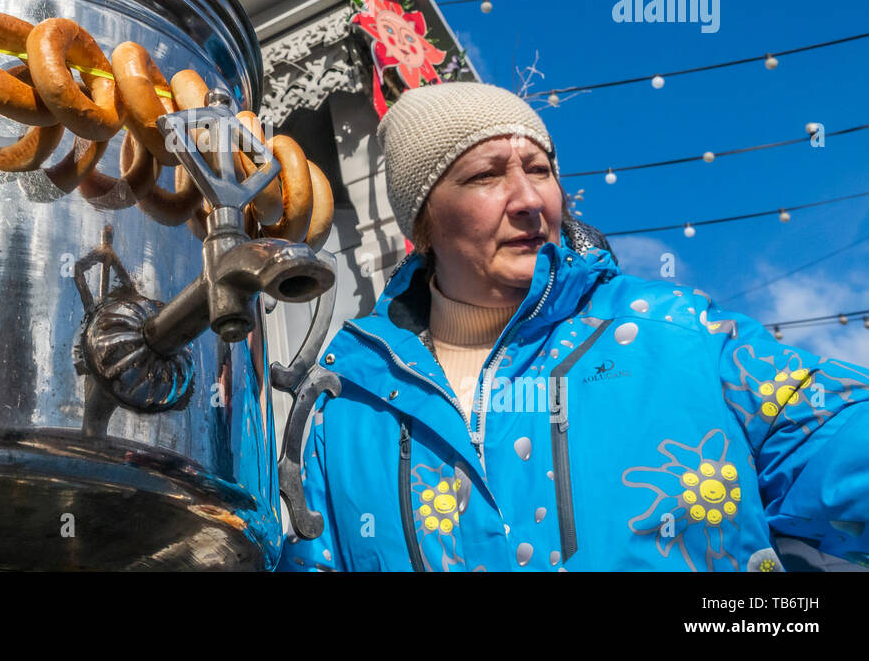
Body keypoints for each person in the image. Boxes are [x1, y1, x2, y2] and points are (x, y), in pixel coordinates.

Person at [278, 82, 869, 571]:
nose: (529, 198)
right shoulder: (351, 409)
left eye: (540, 169)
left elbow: (833, 438)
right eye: (486, 175)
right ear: (426, 220)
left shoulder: (679, 332)